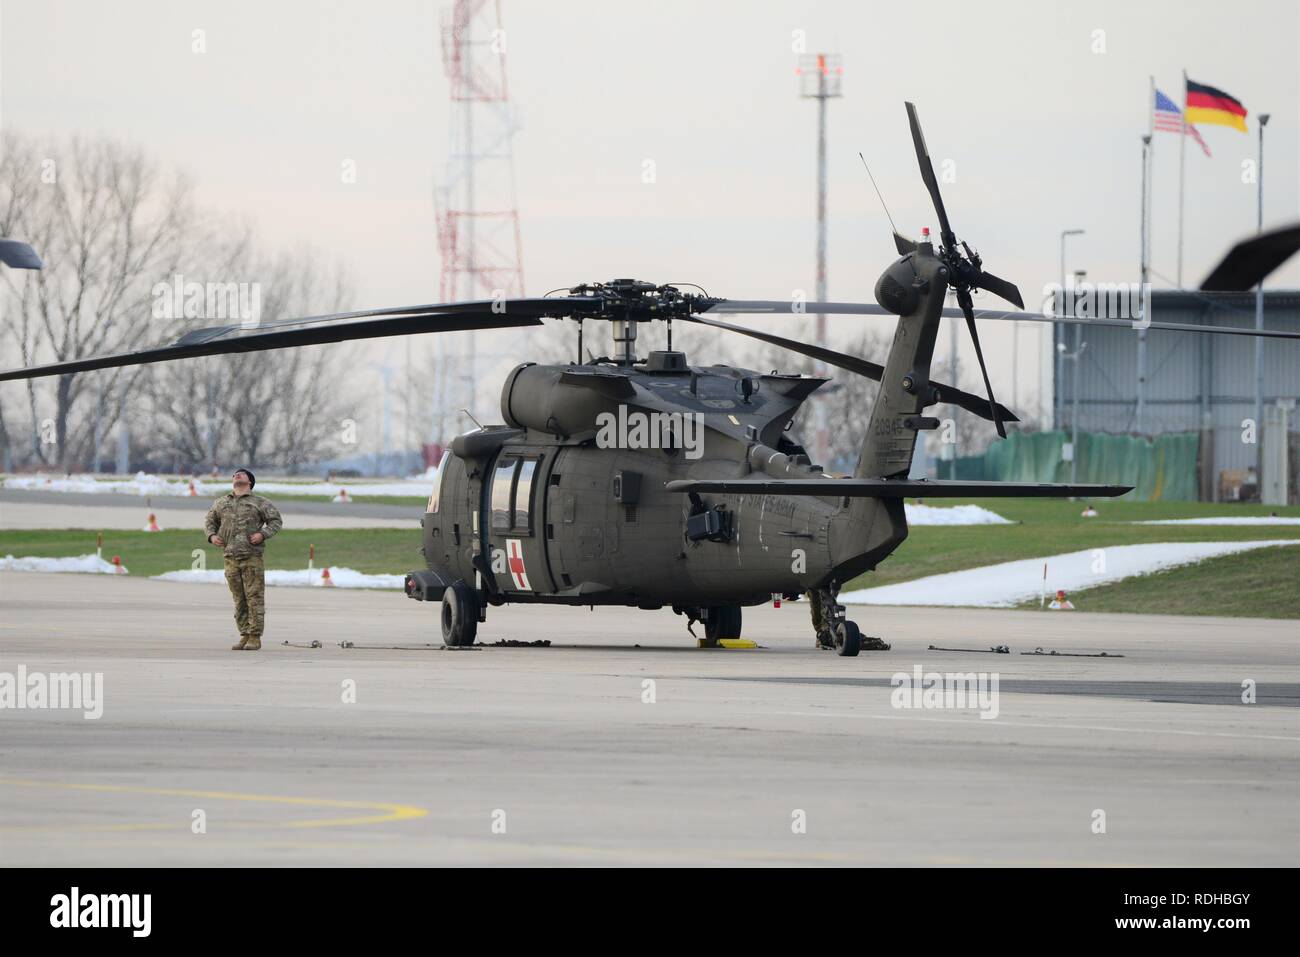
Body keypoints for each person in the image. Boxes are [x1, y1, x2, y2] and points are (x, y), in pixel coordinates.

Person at [204, 469, 283, 650]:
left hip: (251, 557)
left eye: (241, 474)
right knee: (239, 599)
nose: (237, 475)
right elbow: (210, 520)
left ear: (250, 482)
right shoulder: (221, 502)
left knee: (254, 597)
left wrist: (263, 534)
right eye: (234, 474)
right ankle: (244, 634)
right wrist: (212, 536)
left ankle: (255, 636)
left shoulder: (259, 503)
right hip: (230, 557)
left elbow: (275, 521)